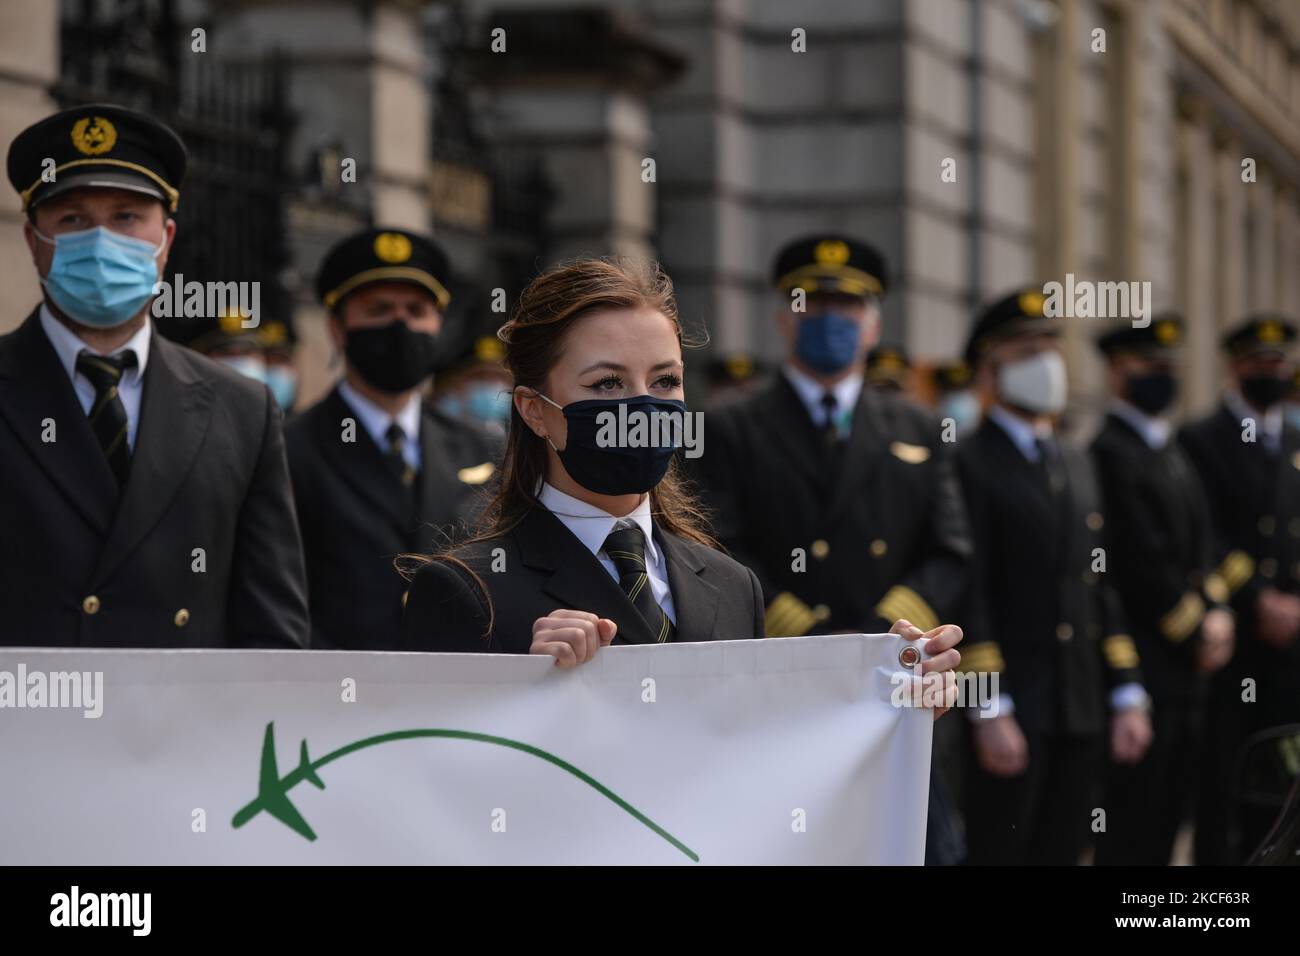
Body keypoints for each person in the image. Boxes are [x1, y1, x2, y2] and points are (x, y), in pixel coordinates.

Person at [400, 256, 964, 701]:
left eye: (665, 381)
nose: (642, 407)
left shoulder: (731, 584)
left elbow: (767, 749)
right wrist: (525, 685)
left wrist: (889, 685)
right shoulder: (468, 590)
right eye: (606, 385)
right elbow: (438, 789)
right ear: (534, 409)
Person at [688, 234, 971, 864]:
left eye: (849, 307)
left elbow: (950, 551)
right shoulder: (732, 428)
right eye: (813, 304)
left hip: (894, 688)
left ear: (873, 325)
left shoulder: (917, 428)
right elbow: (714, 544)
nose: (831, 320)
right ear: (783, 320)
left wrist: (880, 639)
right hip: (783, 685)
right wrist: (811, 636)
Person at [0, 103, 308, 647]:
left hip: (180, 727)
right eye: (72, 219)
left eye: (125, 217)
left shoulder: (242, 410)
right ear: (33, 241)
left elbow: (272, 637)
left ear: (164, 240)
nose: (100, 241)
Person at [956, 287, 1152, 865]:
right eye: (1026, 350)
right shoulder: (968, 461)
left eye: (1050, 346)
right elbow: (970, 595)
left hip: (1080, 703)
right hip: (1013, 709)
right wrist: (989, 708)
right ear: (990, 368)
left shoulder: (1075, 458)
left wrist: (1127, 689)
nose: (1045, 361)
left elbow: (1098, 584)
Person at [285, 228, 499, 650]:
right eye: (379, 309)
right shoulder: (288, 449)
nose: (400, 325)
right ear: (337, 327)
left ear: (437, 324)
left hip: (463, 695)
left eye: (417, 310)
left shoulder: (485, 449)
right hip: (338, 694)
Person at [1089, 314, 1234, 865]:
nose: (1161, 376)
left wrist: (1219, 610)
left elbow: (1204, 546)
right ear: (1117, 371)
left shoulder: (1171, 450)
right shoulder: (1110, 452)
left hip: (1188, 670)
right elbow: (1139, 563)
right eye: (1148, 366)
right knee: (1134, 825)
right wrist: (1197, 629)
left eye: (1168, 366)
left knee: (1173, 816)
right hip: (1146, 662)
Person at [1179, 314, 1300, 863]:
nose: (1271, 372)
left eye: (1279, 363)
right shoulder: (1202, 440)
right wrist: (1259, 598)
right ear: (1235, 367)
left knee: (1281, 787)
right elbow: (1206, 536)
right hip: (1236, 641)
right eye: (1260, 363)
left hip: (1291, 645)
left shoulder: (1295, 439)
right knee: (1225, 786)